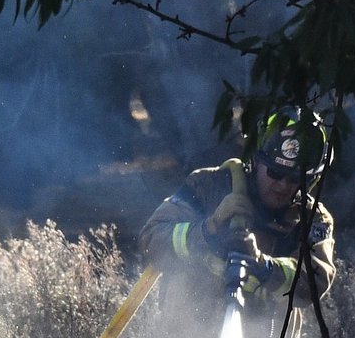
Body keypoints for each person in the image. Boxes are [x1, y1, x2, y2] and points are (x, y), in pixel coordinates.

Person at [138, 106, 337, 311]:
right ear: (257, 161)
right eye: (275, 173)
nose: (283, 185)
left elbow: (313, 284)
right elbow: (150, 239)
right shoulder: (208, 186)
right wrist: (209, 229)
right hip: (184, 330)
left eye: (296, 179)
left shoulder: (313, 219)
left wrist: (263, 265)